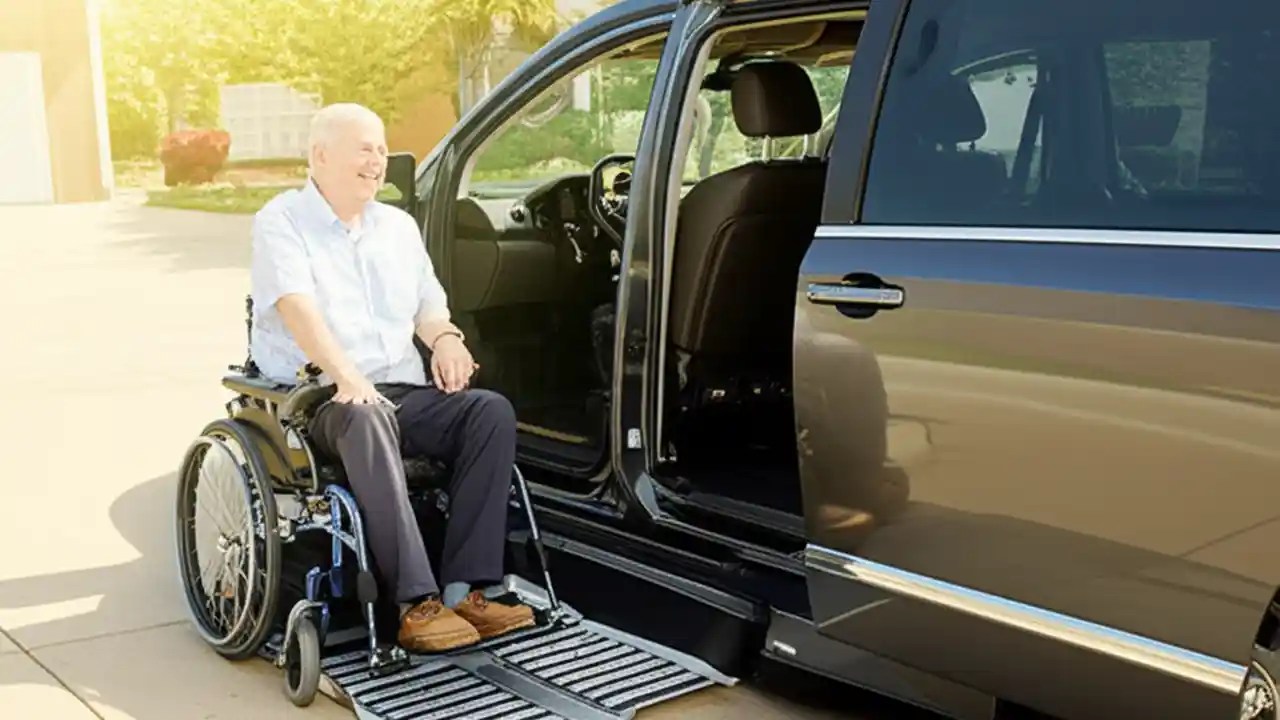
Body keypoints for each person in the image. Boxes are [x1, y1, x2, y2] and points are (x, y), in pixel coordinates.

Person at [248, 102, 534, 652]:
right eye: (363, 148)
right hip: (323, 397)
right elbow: (296, 309)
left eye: (381, 149)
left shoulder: (398, 227)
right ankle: (414, 604)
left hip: (400, 390)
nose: (376, 160)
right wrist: (346, 374)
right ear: (321, 155)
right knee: (367, 413)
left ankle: (465, 592)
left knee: (488, 413)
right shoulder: (282, 220)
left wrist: (447, 341)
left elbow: (429, 307)